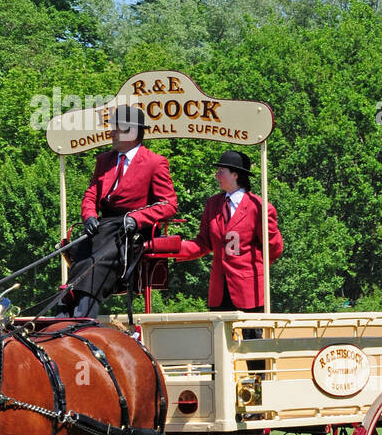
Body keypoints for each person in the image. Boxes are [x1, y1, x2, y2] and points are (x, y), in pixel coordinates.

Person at [64, 105, 178, 318]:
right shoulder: (104, 160)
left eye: (117, 128)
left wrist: (136, 219)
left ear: (132, 132)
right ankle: (66, 305)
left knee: (100, 256)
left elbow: (168, 204)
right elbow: (90, 195)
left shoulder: (155, 163)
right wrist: (88, 216)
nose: (111, 133)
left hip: (131, 229)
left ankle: (83, 313)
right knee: (80, 248)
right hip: (103, 226)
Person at [150, 149, 283, 318]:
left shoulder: (259, 207)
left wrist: (253, 270)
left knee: (250, 341)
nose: (216, 176)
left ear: (235, 175)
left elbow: (274, 248)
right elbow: (203, 243)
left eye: (221, 172)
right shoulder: (213, 204)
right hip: (219, 292)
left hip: (249, 292)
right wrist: (167, 247)